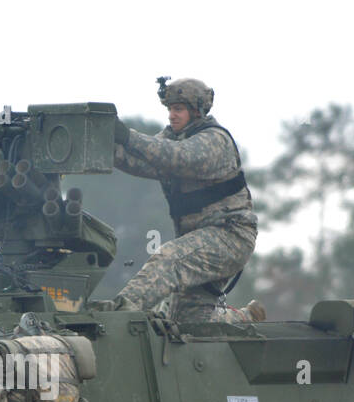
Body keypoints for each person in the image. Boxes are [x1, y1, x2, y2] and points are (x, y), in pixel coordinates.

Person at [93, 79, 264, 324]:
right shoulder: (173, 137)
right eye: (170, 109)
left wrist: (128, 136)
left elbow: (176, 157)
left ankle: (119, 314)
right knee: (189, 321)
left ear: (196, 111)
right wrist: (98, 145)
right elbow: (141, 161)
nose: (172, 116)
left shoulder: (214, 141)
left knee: (170, 259)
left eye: (179, 109)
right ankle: (244, 318)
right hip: (203, 238)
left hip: (230, 236)